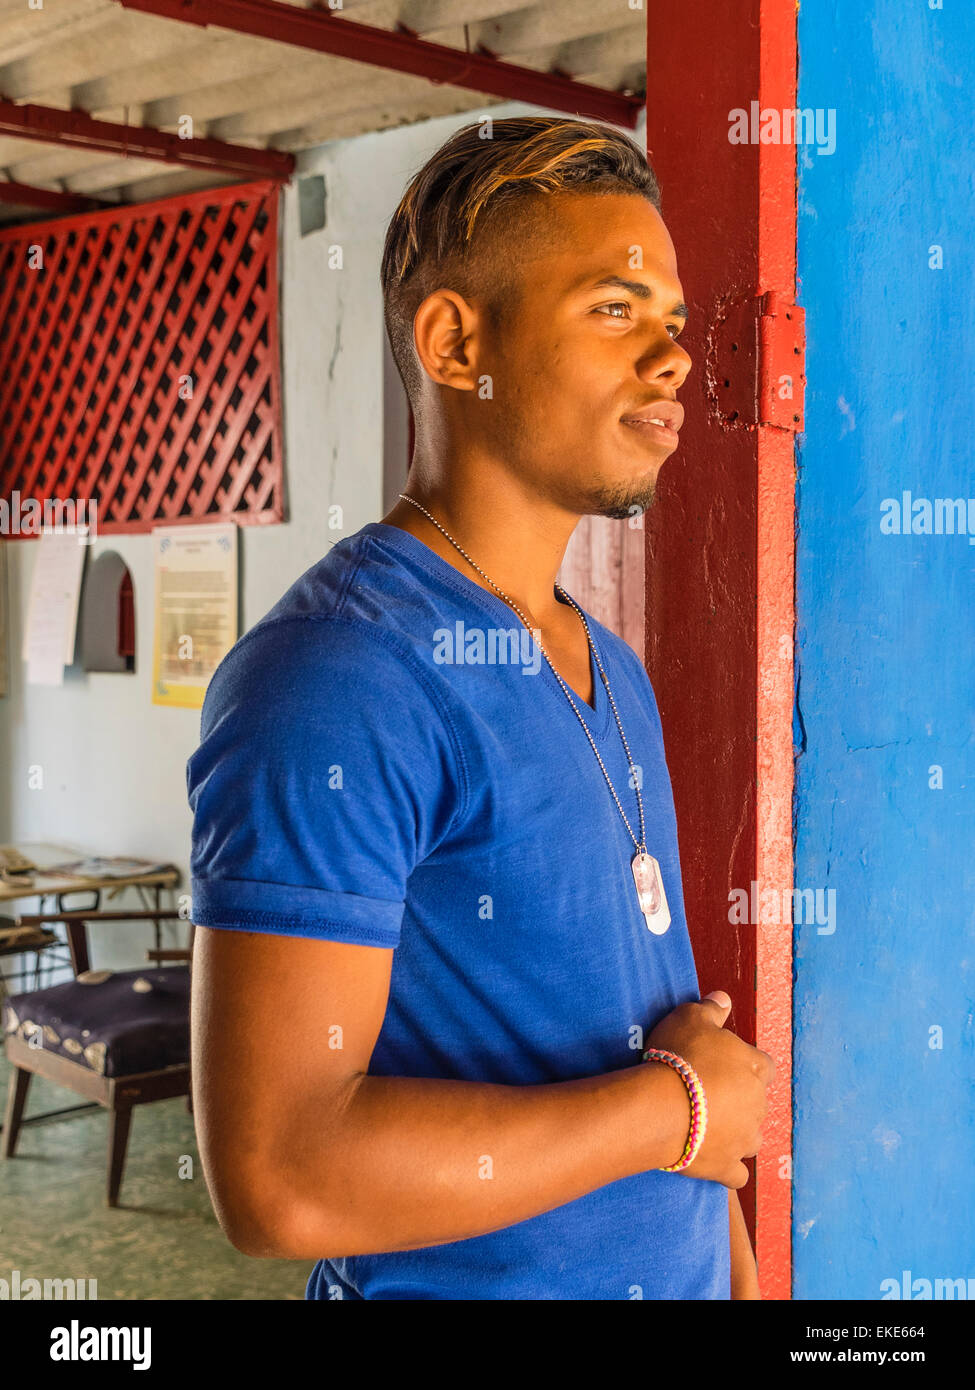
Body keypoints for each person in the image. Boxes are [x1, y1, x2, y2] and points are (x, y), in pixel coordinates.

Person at [186, 116, 774, 1301]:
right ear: (458, 342)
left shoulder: (609, 663)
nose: (670, 359)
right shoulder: (338, 676)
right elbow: (279, 1176)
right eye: (614, 310)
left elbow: (687, 1083)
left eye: (671, 322)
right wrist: (682, 1104)